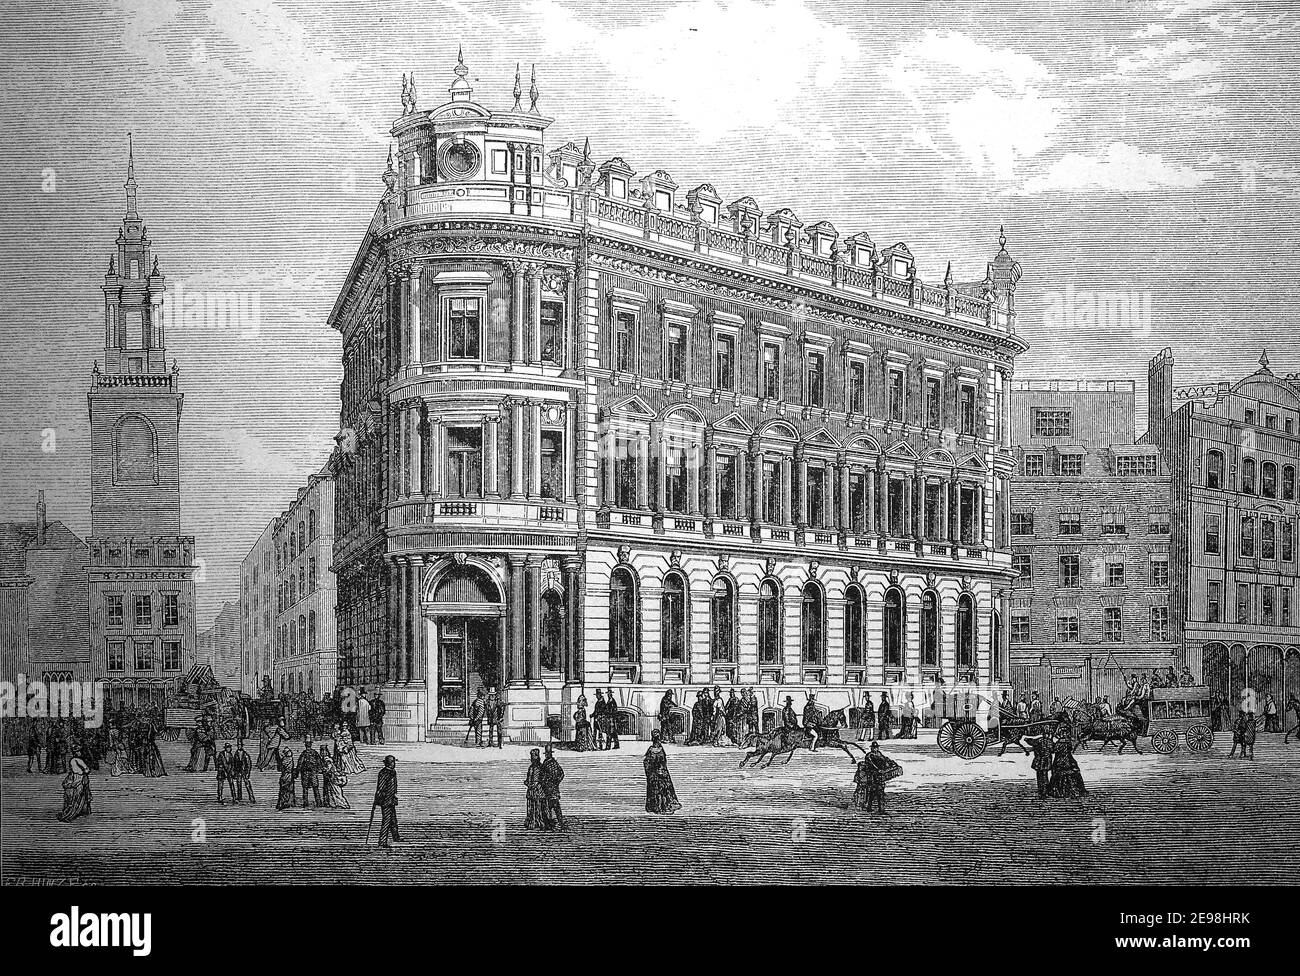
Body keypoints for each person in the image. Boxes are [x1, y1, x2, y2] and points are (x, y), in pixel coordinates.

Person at [643, 730, 681, 814]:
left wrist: (650, 771)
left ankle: (655, 806)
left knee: (656, 788)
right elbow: (663, 762)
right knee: (664, 788)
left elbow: (646, 762)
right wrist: (661, 770)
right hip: (661, 772)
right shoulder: (660, 750)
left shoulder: (650, 750)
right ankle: (663, 805)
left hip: (654, 774)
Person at [851, 742, 895, 813]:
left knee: (878, 792)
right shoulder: (869, 756)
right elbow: (872, 764)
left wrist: (892, 763)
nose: (875, 749)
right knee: (874, 792)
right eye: (874, 748)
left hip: (879, 776)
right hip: (872, 776)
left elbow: (885, 760)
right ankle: (875, 808)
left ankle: (879, 809)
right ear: (871, 748)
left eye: (876, 747)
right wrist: (878, 769)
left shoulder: (879, 754)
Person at [57, 748, 92, 823]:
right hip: (79, 778)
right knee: (80, 794)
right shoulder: (77, 760)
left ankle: (78, 810)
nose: (80, 753)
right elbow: (86, 770)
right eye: (78, 751)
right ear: (76, 753)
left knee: (76, 795)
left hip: (74, 777)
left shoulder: (72, 760)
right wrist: (86, 770)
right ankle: (75, 811)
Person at [373, 756, 400, 847]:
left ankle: (396, 837)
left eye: (394, 762)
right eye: (392, 762)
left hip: (391, 799)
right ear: (388, 763)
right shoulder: (383, 773)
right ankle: (382, 841)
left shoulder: (393, 772)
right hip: (386, 800)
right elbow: (380, 788)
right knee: (387, 821)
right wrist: (377, 798)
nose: (394, 763)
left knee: (393, 820)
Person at [541, 744, 565, 830]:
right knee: (554, 807)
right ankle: (558, 823)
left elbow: (561, 774)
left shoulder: (549, 763)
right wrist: (556, 782)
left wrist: (554, 782)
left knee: (551, 806)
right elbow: (561, 774)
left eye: (547, 754)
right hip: (552, 789)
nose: (547, 755)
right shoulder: (554, 763)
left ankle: (553, 824)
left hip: (550, 789)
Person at [524, 749, 546, 829]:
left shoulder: (541, 767)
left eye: (534, 756)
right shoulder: (530, 768)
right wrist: (527, 782)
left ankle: (539, 822)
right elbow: (528, 778)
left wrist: (537, 784)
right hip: (531, 790)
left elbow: (543, 778)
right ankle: (531, 822)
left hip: (538, 790)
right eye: (532, 757)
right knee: (531, 807)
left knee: (538, 806)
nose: (533, 758)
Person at [1027, 733, 1052, 800]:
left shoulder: (1039, 740)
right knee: (1044, 776)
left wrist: (1027, 740)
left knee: (1041, 776)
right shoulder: (1049, 741)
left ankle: (1042, 791)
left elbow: (1031, 742)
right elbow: (1052, 750)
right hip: (1045, 761)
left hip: (1039, 761)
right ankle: (1044, 791)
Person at [298, 740, 323, 807]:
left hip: (307, 773)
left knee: (306, 789)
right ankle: (318, 803)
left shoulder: (304, 753)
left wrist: (298, 770)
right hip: (311, 773)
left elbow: (300, 763)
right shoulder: (314, 752)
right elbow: (319, 762)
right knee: (314, 788)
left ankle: (307, 803)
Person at [233, 739, 256, 804]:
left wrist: (248, 773)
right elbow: (234, 764)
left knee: (247, 784)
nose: (239, 746)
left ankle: (251, 797)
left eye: (240, 745)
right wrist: (235, 772)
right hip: (238, 771)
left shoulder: (245, 754)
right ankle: (239, 797)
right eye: (238, 745)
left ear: (242, 746)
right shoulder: (236, 754)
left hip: (244, 771)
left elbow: (248, 764)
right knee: (238, 784)